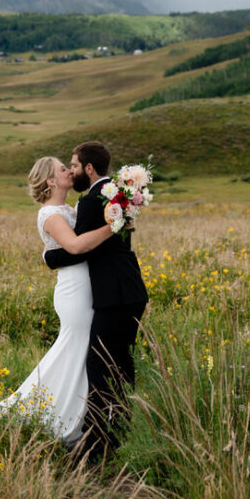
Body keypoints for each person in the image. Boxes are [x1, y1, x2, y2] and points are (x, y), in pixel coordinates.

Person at [0, 156, 112, 445]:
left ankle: (76, 414)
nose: (69, 171)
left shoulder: (68, 209)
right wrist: (115, 226)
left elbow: (57, 249)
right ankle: (62, 418)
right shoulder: (51, 214)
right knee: (77, 348)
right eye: (62, 169)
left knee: (81, 351)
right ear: (50, 181)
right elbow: (74, 246)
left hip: (84, 286)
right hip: (74, 291)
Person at [44, 141, 149, 461]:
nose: (71, 170)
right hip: (128, 290)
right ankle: (118, 433)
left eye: (74, 165)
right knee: (120, 363)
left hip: (113, 295)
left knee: (101, 367)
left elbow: (82, 248)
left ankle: (97, 446)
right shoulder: (116, 194)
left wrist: (50, 256)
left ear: (89, 169)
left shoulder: (93, 202)